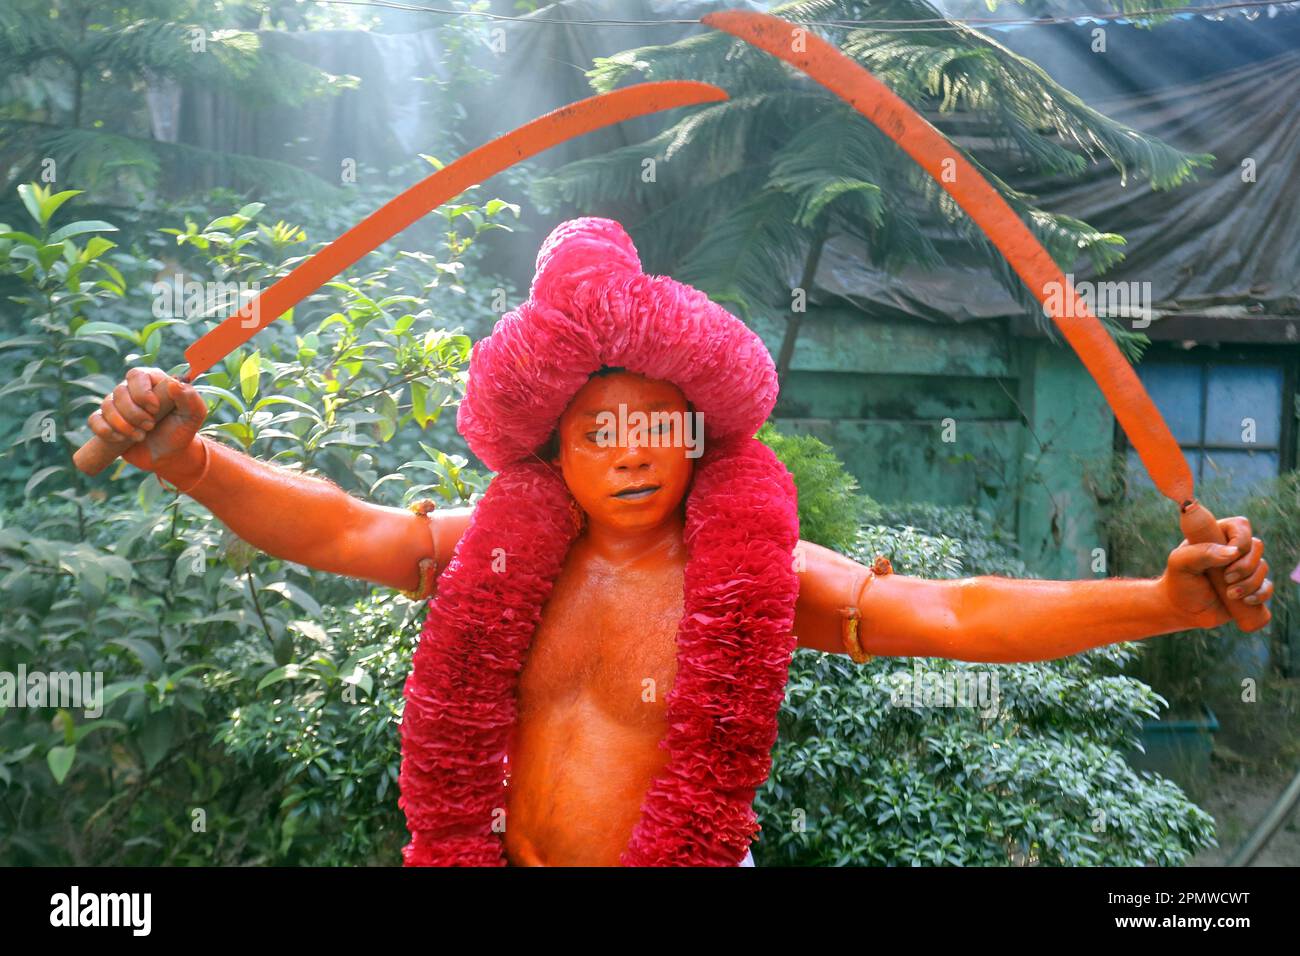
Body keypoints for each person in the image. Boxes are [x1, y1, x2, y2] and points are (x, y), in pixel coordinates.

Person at [87, 218, 1273, 867]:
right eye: (601, 426)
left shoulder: (749, 578)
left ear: (698, 429)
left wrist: (1165, 602)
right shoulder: (501, 551)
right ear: (553, 446)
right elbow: (343, 525)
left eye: (661, 418)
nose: (636, 446)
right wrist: (189, 457)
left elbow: (956, 612)